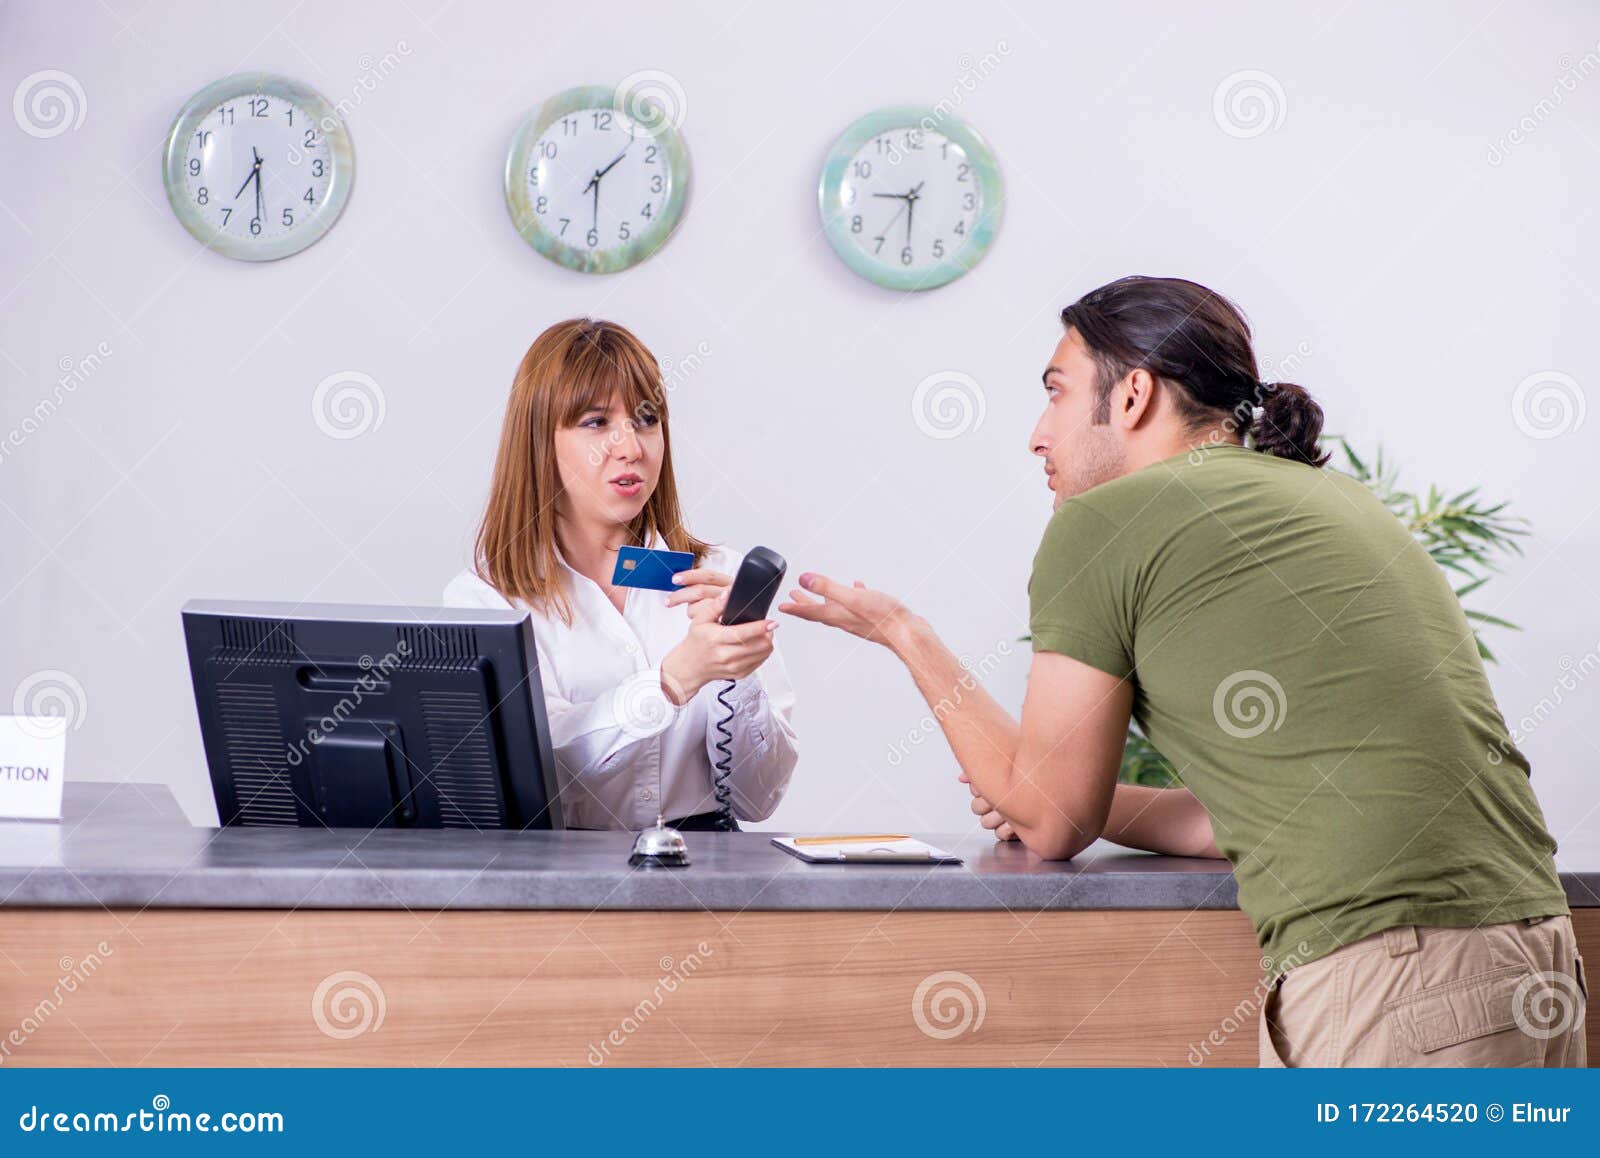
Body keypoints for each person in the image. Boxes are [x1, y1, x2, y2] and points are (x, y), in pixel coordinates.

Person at [782, 275, 1585, 1067]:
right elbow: (1237, 815)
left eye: (1056, 393)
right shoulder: (1333, 498)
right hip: (1535, 960)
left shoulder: (1105, 522)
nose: (1037, 433)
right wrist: (1071, 795)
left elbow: (1051, 821)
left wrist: (904, 633)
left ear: (1133, 395)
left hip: (1392, 981)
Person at [444, 318, 798, 832]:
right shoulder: (486, 599)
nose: (631, 446)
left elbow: (758, 800)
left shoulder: (715, 576)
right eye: (596, 422)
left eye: (646, 419)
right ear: (540, 440)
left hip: (702, 876)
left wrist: (737, 676)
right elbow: (540, 775)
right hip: (561, 879)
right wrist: (674, 681)